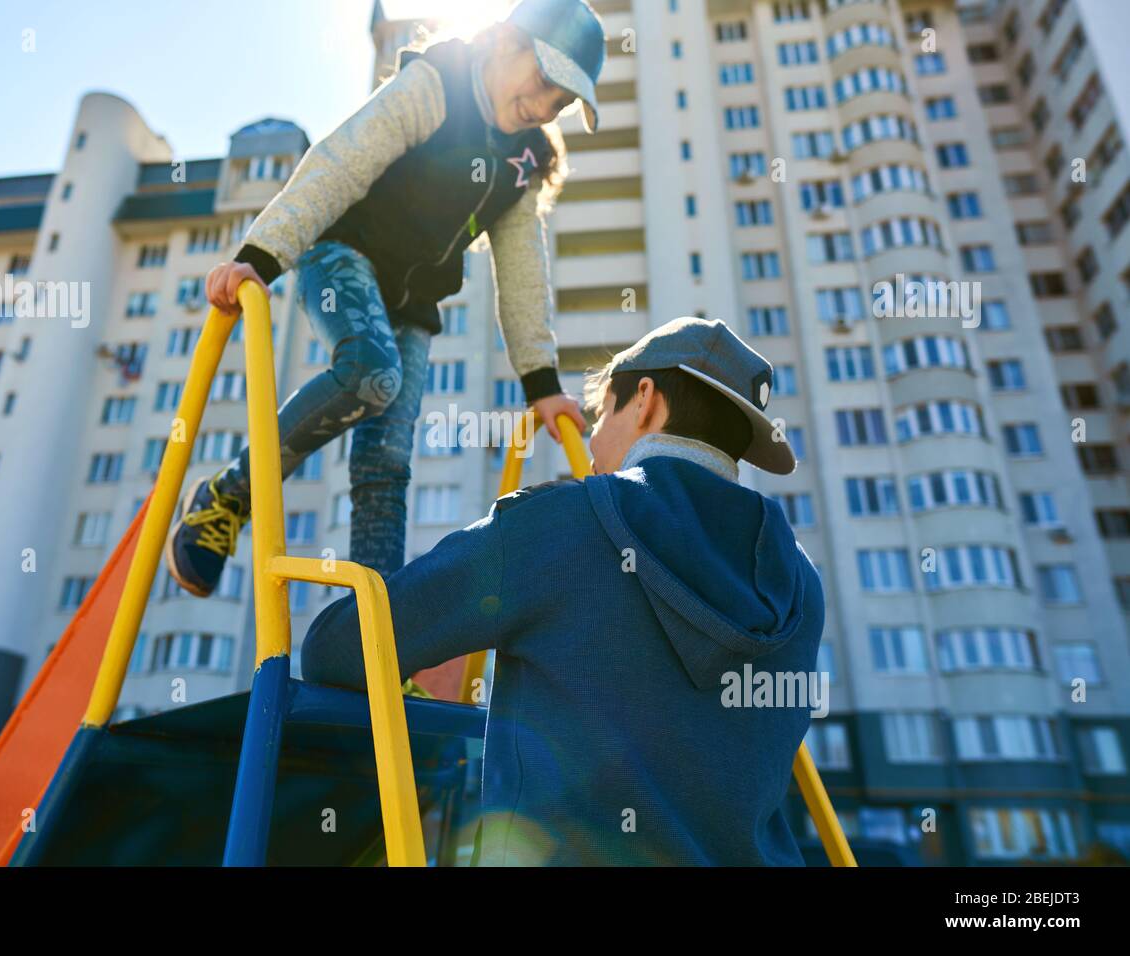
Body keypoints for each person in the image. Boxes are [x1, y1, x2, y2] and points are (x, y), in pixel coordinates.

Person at [301, 317, 826, 866]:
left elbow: (334, 650)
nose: (592, 447)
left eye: (601, 415)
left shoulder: (559, 524)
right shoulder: (801, 584)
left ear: (644, 399)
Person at [164, 0, 607, 595]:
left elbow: (524, 266)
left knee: (388, 461)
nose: (545, 105)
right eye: (543, 80)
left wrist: (542, 382)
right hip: (340, 254)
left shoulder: (524, 164)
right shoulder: (437, 86)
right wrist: (260, 256)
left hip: (413, 306)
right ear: (505, 41)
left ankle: (374, 633)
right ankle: (227, 496)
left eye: (562, 102)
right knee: (372, 373)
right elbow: (343, 161)